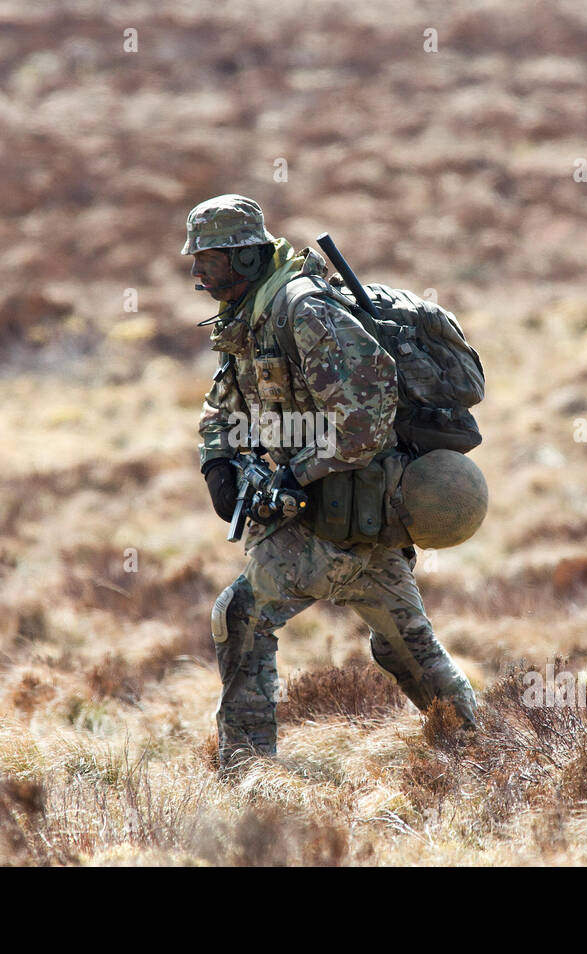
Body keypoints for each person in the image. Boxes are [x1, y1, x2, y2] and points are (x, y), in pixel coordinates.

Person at [185, 193, 477, 768]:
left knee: (241, 615)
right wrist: (217, 461)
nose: (196, 272)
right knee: (405, 645)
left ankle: (247, 773)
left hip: (345, 507)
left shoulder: (302, 311)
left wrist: (296, 473)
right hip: (340, 512)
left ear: (244, 258)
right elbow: (222, 402)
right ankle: (480, 754)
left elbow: (366, 420)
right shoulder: (247, 313)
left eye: (209, 259)